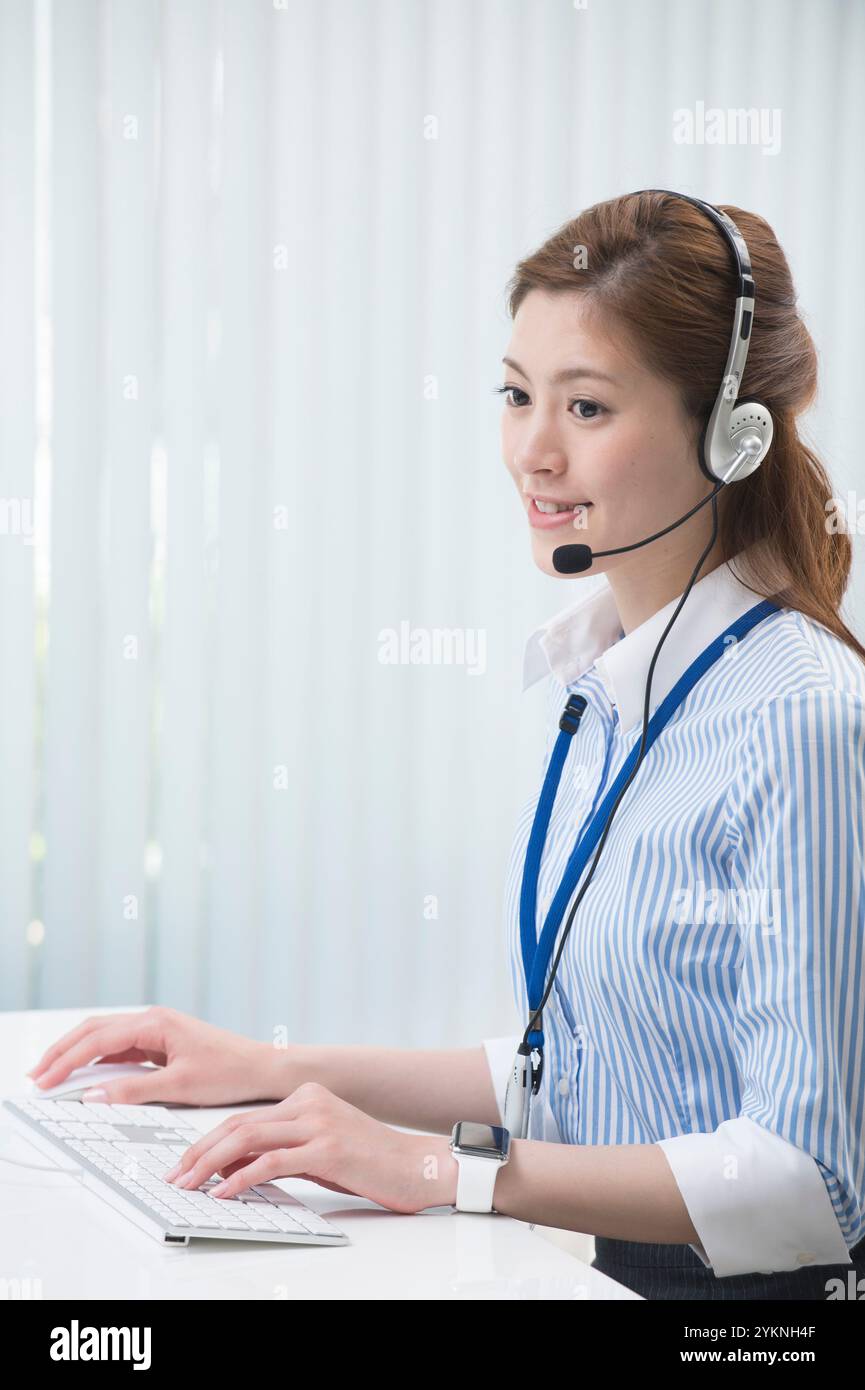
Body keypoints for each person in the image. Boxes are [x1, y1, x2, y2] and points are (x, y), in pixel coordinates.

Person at [27, 191, 865, 1300]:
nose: (532, 449)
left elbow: (806, 1183)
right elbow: (574, 1077)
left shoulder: (797, 714)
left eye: (587, 408)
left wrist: (438, 1168)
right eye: (516, 396)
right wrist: (271, 1071)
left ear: (730, 435)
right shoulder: (613, 678)